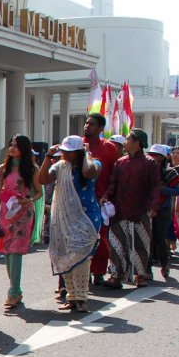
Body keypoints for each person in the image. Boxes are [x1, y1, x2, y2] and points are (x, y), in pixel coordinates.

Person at [37, 136, 101, 313]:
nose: (65, 154)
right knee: (65, 253)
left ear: (79, 152)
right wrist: (48, 157)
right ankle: (72, 296)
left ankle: (81, 297)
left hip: (86, 217)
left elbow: (88, 173)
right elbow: (43, 179)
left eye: (70, 152)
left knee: (81, 255)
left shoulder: (94, 164)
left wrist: (87, 153)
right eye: (64, 151)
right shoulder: (60, 166)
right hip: (64, 218)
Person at [100, 129, 159, 288]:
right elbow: (113, 184)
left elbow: (155, 187)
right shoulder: (120, 162)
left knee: (140, 245)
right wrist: (106, 196)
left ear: (137, 142)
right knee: (116, 244)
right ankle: (115, 276)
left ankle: (140, 276)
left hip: (141, 212)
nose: (124, 143)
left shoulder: (150, 163)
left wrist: (154, 207)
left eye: (127, 139)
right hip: (119, 211)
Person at [0, 135, 38, 310]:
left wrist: (28, 199)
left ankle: (13, 292)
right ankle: (16, 289)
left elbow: (39, 192)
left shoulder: (31, 169)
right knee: (7, 250)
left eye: (16, 145)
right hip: (6, 212)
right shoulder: (2, 169)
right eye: (11, 145)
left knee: (16, 251)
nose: (12, 148)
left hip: (23, 212)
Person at [82, 114, 120, 285]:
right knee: (81, 239)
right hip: (80, 201)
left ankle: (98, 272)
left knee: (101, 239)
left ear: (100, 128)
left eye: (91, 124)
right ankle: (82, 273)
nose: (87, 126)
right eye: (86, 123)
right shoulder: (77, 145)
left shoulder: (109, 148)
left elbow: (115, 175)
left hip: (101, 202)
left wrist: (108, 195)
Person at [146, 144, 179, 280]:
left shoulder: (170, 172)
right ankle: (147, 269)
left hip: (163, 209)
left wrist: (160, 189)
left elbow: (176, 191)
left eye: (156, 155)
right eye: (151, 154)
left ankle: (164, 264)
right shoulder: (145, 171)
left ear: (162, 157)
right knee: (147, 239)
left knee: (159, 238)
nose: (152, 157)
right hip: (147, 208)